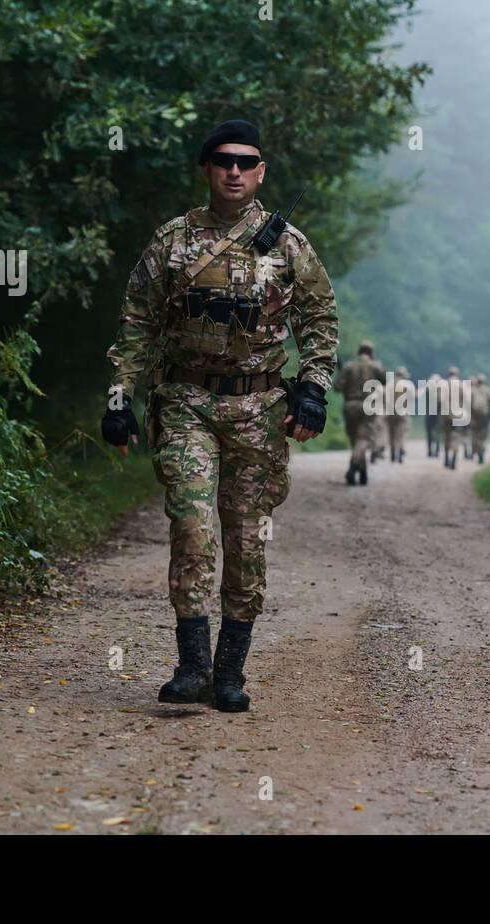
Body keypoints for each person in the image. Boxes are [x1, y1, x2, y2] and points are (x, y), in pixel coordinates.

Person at [102, 119, 337, 713]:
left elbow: (320, 320)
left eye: (245, 162)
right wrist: (119, 397)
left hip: (259, 410)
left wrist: (313, 388)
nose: (234, 171)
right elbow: (136, 322)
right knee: (191, 526)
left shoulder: (288, 246)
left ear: (260, 173)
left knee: (245, 538)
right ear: (207, 169)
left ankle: (230, 672)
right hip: (186, 403)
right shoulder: (172, 242)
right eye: (222, 161)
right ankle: (190, 665)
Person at [333, 340, 385, 485]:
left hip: (350, 406)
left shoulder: (349, 367)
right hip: (369, 407)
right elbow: (385, 381)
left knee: (355, 440)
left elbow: (337, 387)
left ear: (359, 352)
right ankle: (354, 467)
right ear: (371, 353)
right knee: (363, 439)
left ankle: (362, 473)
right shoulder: (377, 366)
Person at [387, 366, 415, 462]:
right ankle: (401, 449)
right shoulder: (408, 384)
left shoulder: (389, 383)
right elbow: (413, 397)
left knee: (392, 432)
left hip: (390, 412)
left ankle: (393, 451)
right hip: (403, 412)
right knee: (402, 433)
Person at [469, 373, 490, 464]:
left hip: (474, 416)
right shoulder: (488, 390)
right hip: (484, 417)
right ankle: (481, 451)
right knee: (483, 436)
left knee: (475, 434)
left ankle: (475, 450)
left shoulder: (472, 390)